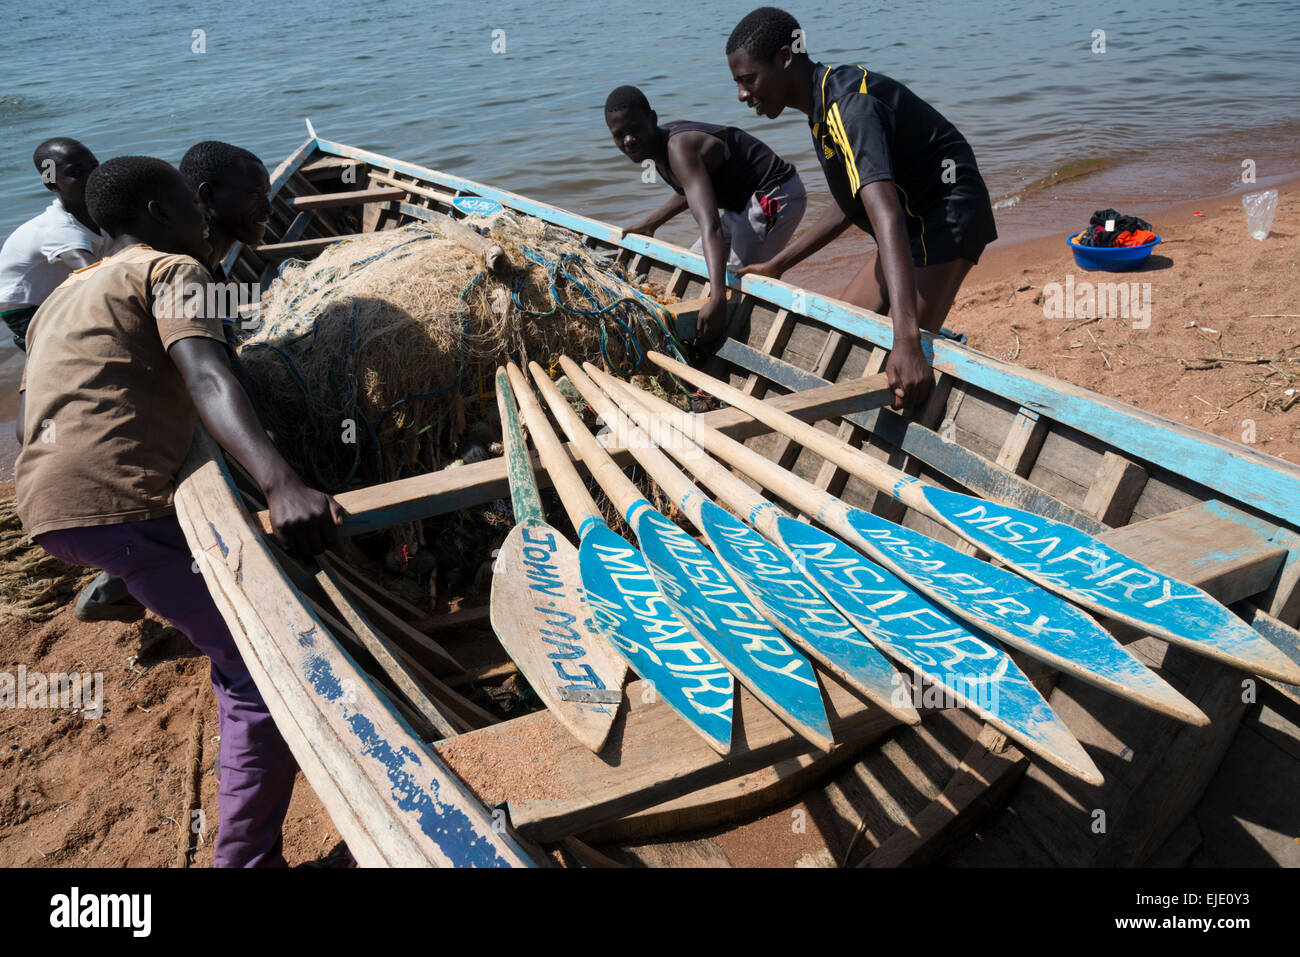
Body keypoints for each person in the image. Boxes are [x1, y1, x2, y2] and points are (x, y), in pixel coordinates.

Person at [14, 155, 343, 867]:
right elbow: (206, 371)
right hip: (116, 505)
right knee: (258, 668)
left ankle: (126, 575)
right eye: (193, 212)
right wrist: (280, 481)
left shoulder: (61, 298)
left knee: (184, 595)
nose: (203, 224)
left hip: (44, 506)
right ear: (165, 216)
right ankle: (245, 863)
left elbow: (31, 419)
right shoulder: (170, 270)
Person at [725, 7, 998, 409]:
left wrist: (907, 340)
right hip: (908, 216)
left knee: (901, 377)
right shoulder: (820, 108)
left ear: (785, 58)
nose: (742, 95)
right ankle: (922, 332)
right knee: (841, 331)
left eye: (748, 80)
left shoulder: (848, 106)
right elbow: (848, 202)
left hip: (948, 212)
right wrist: (780, 264)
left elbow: (884, 214)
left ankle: (932, 343)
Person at [604, 85, 806, 344]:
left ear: (652, 119)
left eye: (634, 130)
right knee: (696, 264)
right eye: (619, 135)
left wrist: (718, 298)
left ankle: (738, 336)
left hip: (775, 195)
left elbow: (710, 226)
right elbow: (693, 187)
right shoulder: (655, 148)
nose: (629, 140)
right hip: (740, 205)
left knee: (738, 279)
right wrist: (651, 223)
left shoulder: (678, 148)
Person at [0, 138, 112, 352]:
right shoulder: (58, 228)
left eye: (94, 167)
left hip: (61, 297)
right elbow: (90, 269)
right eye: (77, 173)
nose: (92, 177)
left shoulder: (98, 216)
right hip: (26, 311)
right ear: (51, 183)